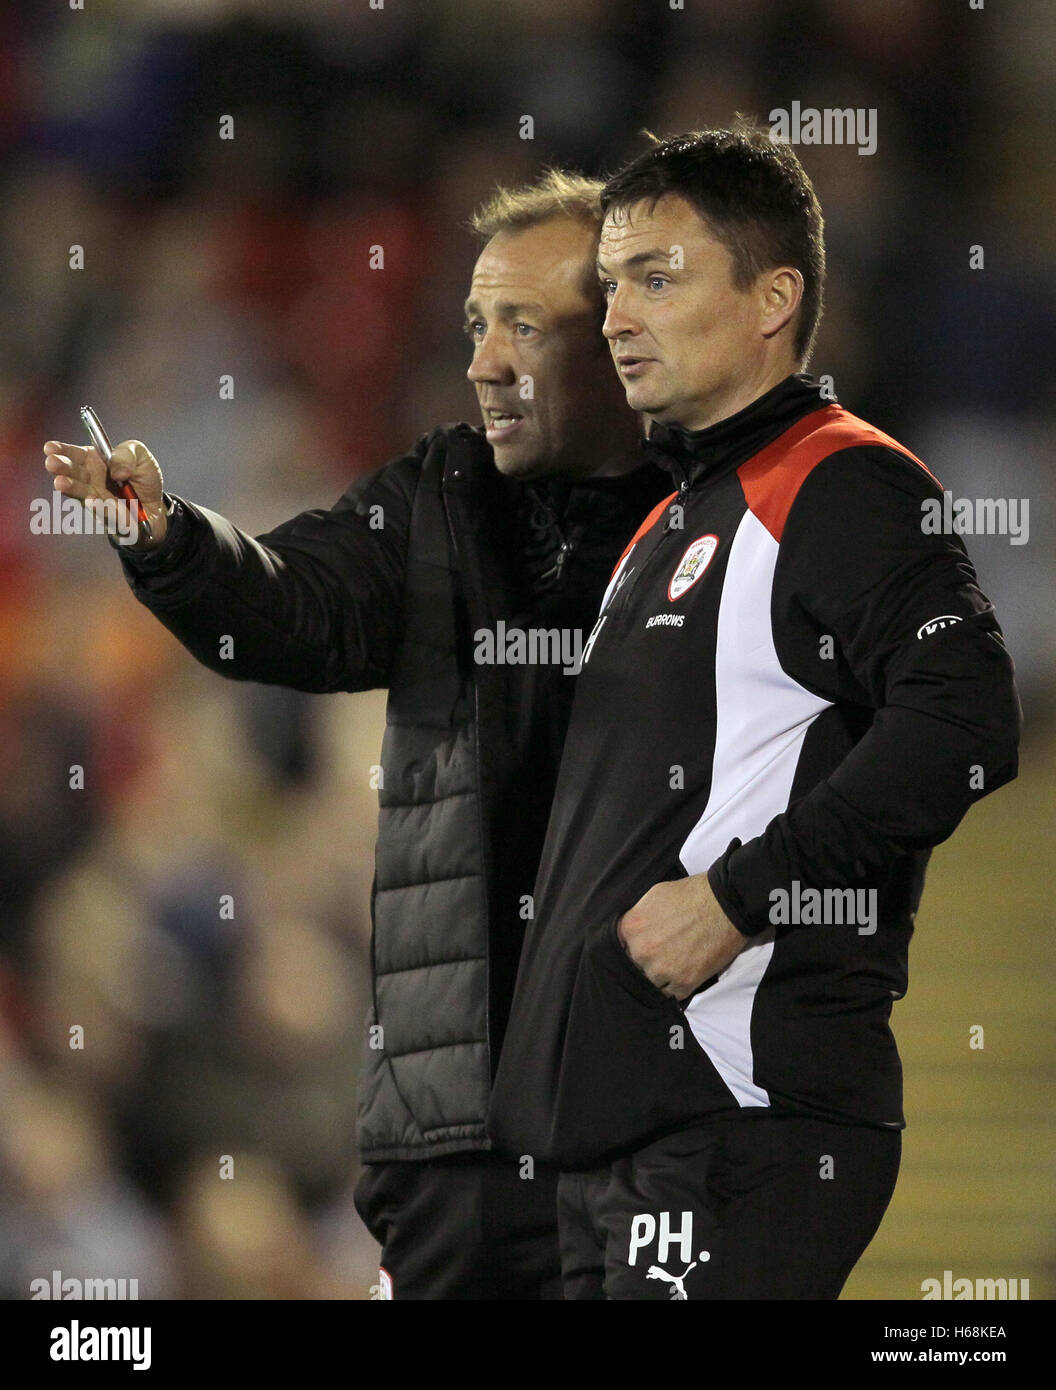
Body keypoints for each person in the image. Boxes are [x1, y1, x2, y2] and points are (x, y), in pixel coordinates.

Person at [41, 171, 671, 1300]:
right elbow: (286, 603)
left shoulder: (724, 520)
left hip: (640, 1111)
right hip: (447, 1122)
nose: (484, 359)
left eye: (520, 325)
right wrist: (171, 535)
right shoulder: (436, 500)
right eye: (477, 324)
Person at [488, 126, 1022, 1300]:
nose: (616, 317)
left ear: (775, 297)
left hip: (735, 1115)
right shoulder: (670, 522)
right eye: (610, 284)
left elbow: (967, 727)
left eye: (658, 278)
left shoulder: (841, 480)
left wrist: (737, 899)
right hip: (610, 1146)